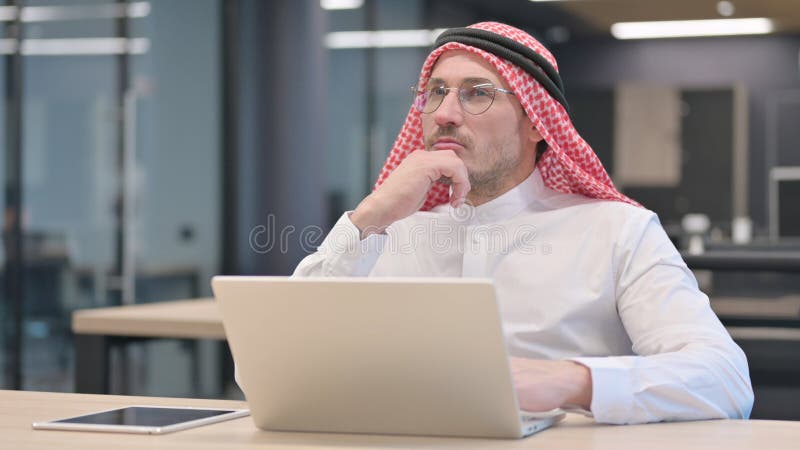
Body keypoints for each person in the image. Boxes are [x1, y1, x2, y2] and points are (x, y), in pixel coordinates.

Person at [293, 22, 753, 424]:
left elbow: (725, 379)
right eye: (436, 92)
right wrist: (370, 215)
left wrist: (571, 381)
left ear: (538, 123)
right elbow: (279, 368)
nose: (447, 113)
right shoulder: (390, 232)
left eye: (477, 93)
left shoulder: (618, 231)